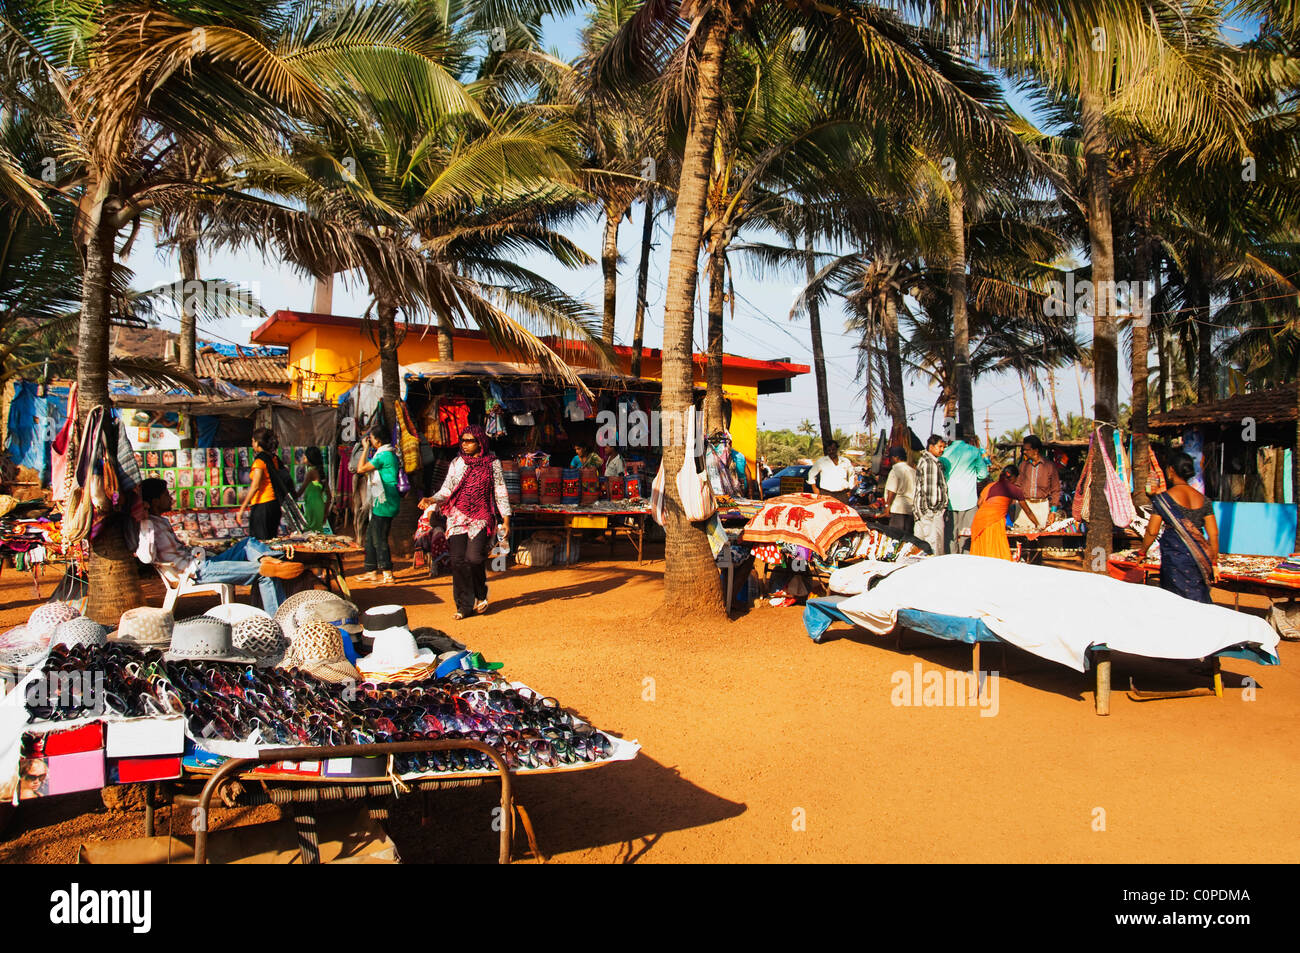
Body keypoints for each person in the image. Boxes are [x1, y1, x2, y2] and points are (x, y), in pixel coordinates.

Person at [133, 478, 302, 615]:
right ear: (155, 501)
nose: (170, 498)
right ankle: (279, 621)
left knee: (247, 544)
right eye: (166, 495)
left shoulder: (161, 521)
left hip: (202, 562)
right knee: (264, 573)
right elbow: (146, 557)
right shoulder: (148, 526)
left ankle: (270, 559)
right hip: (197, 573)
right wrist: (145, 520)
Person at [419, 425, 512, 620]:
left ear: (480, 442)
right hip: (457, 515)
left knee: (475, 558)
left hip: (481, 516)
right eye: (463, 440)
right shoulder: (457, 463)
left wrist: (506, 519)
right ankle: (464, 606)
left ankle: (480, 594)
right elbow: (446, 490)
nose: (465, 444)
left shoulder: (492, 463)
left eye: (470, 441)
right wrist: (432, 499)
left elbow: (500, 491)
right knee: (458, 560)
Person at [1136, 451, 1219, 603]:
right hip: (1199, 560)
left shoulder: (1163, 500)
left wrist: (1142, 552)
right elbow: (1213, 534)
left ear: (1172, 470)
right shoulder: (1204, 500)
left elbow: (1152, 530)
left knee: (1175, 601)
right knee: (1198, 597)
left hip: (1175, 559)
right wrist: (1213, 563)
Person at [355, 428, 401, 584]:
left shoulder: (383, 455)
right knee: (370, 536)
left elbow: (360, 469)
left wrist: (365, 448)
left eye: (372, 439)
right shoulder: (389, 453)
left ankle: (388, 573)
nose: (371, 441)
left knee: (379, 537)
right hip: (382, 500)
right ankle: (371, 570)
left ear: (378, 441)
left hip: (385, 501)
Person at [970, 465, 1041, 560]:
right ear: (1014, 477)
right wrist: (1038, 525)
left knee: (981, 552)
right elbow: (1028, 511)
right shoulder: (1015, 490)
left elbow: (979, 503)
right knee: (996, 553)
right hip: (994, 523)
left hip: (979, 519)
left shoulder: (991, 485)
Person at [236, 427, 289, 541]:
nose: (252, 444)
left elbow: (255, 486)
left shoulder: (260, 461)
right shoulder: (274, 459)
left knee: (260, 542)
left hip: (263, 505)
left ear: (257, 443)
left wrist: (242, 509)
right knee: (270, 540)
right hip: (274, 505)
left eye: (253, 441)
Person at [943, 435, 990, 553]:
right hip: (968, 499)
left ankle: (951, 562)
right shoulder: (974, 451)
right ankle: (965, 561)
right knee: (967, 536)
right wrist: (975, 479)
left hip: (950, 501)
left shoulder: (945, 452)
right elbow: (983, 474)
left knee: (950, 537)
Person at [912, 434, 949, 555]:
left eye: (943, 447)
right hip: (930, 513)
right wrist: (932, 511)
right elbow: (931, 490)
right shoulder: (930, 463)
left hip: (924, 512)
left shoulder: (927, 461)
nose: (942, 449)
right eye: (940, 446)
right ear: (931, 447)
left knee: (920, 548)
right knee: (933, 547)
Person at [1014, 434, 1063, 515]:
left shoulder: (1049, 466)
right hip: (1024, 506)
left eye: (1027, 450)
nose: (1024, 452)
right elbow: (1017, 486)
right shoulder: (1023, 466)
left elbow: (1056, 490)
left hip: (1041, 507)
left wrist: (1053, 511)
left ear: (1035, 450)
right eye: (1024, 449)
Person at [295, 446, 331, 533]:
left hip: (312, 506)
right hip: (320, 506)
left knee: (309, 532)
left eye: (305, 456)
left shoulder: (311, 472)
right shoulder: (321, 472)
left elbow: (301, 491)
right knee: (317, 532)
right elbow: (329, 496)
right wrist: (325, 513)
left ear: (310, 458)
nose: (303, 457)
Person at [882, 447, 916, 536]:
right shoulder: (913, 471)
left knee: (895, 537)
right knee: (907, 538)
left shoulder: (895, 470)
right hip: (910, 510)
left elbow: (892, 491)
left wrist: (887, 507)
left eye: (891, 458)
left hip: (898, 510)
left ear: (895, 457)